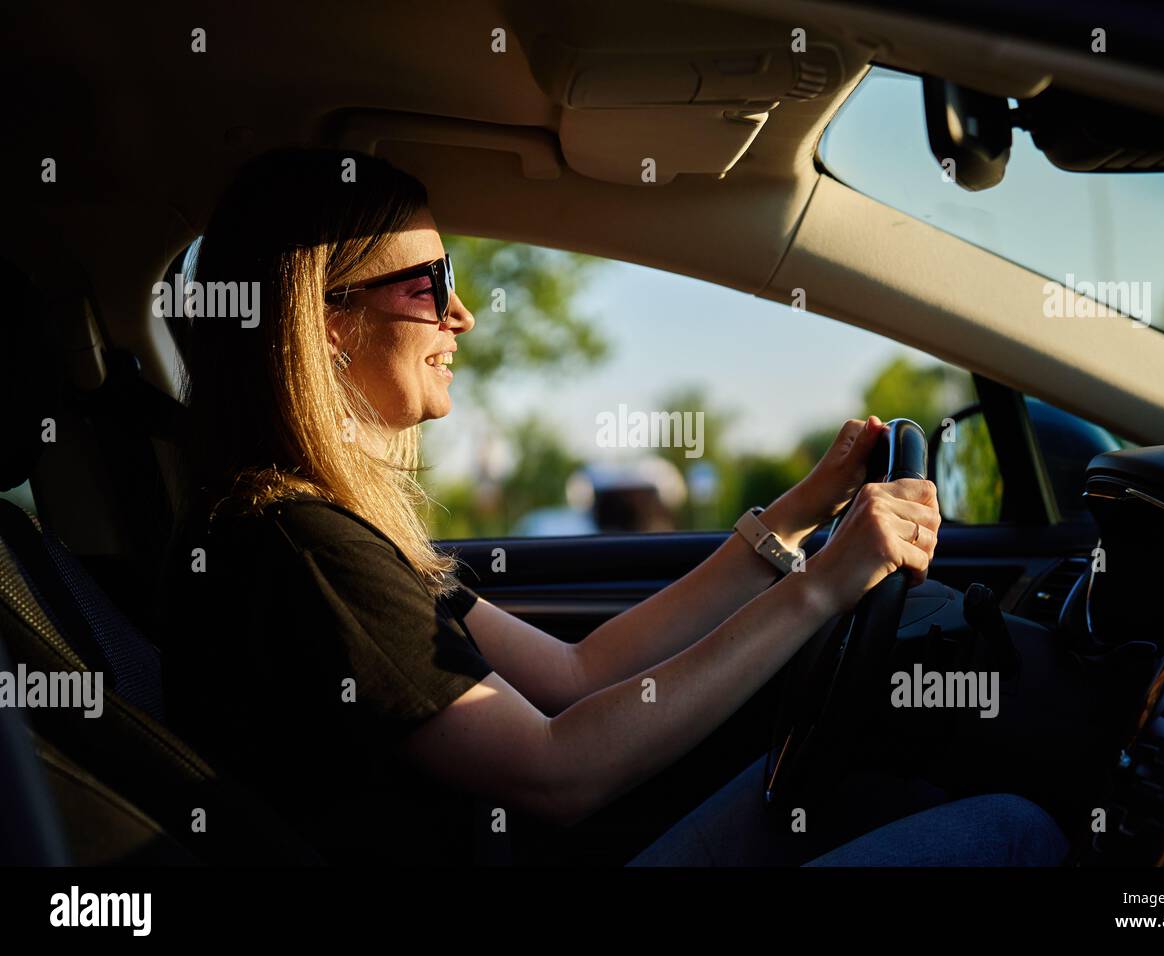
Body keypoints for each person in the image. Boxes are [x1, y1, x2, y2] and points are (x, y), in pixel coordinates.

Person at [160, 147, 1067, 867]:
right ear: (327, 321)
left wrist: (793, 516)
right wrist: (825, 589)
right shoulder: (300, 548)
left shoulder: (335, 533)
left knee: (888, 789)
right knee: (1014, 833)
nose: (463, 316)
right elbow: (560, 771)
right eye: (429, 285)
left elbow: (578, 674)